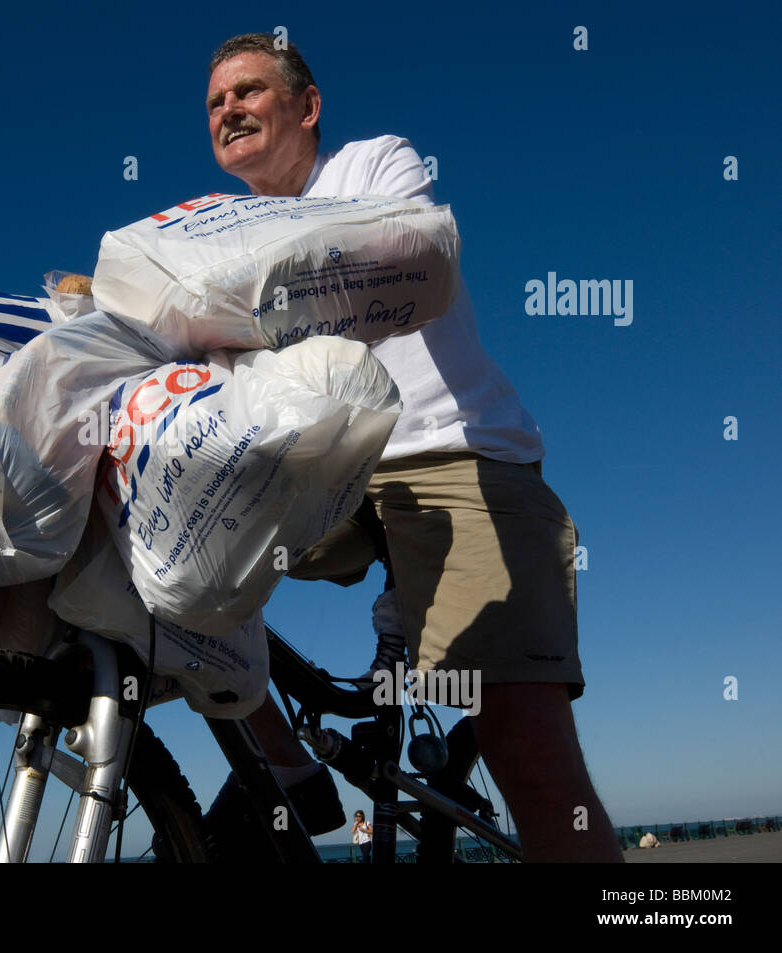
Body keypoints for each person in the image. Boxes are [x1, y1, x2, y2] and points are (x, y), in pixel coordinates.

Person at [199, 33, 622, 862]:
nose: (228, 111)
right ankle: (282, 760)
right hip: (324, 480)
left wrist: (240, 292)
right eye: (215, 104)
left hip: (449, 452)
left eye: (247, 91)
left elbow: (415, 248)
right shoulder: (219, 236)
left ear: (307, 108)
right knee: (153, 565)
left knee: (528, 748)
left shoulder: (373, 165)